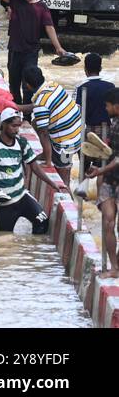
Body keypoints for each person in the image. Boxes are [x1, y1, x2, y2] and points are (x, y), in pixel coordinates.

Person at [0, 0, 73, 105]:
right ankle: (17, 111)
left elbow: (49, 27)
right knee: (14, 85)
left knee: (28, 85)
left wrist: (58, 47)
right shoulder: (15, 1)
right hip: (15, 51)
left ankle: (27, 118)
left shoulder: (41, 7)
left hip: (31, 52)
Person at [0, 107, 51, 234]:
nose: (17, 129)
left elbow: (34, 166)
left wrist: (53, 184)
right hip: (3, 203)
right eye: (13, 126)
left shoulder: (22, 143)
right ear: (4, 124)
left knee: (42, 221)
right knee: (4, 240)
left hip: (22, 196)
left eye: (18, 126)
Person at [21, 65, 82, 186]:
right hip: (77, 135)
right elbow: (37, 107)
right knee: (36, 122)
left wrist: (48, 162)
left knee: (64, 181)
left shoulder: (41, 103)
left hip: (65, 146)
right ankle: (48, 155)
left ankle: (50, 158)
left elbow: (43, 133)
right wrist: (17, 107)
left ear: (27, 85)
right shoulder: (53, 86)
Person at [85, 91, 119, 275]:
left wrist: (100, 171)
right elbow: (109, 152)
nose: (106, 109)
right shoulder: (114, 125)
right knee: (108, 222)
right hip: (110, 180)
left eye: (107, 106)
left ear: (116, 106)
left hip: (113, 177)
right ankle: (114, 268)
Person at [77, 53, 115, 177]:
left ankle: (81, 192)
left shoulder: (81, 88)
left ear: (85, 69)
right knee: (103, 168)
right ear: (100, 68)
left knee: (84, 166)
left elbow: (78, 112)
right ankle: (99, 195)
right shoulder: (110, 86)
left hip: (88, 131)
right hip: (108, 132)